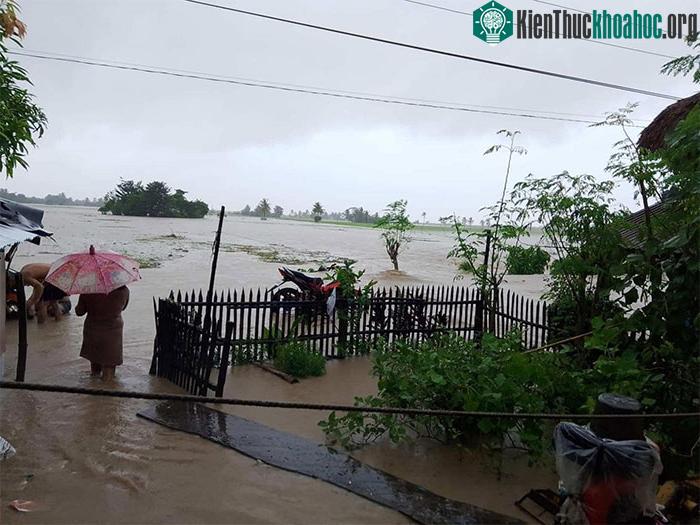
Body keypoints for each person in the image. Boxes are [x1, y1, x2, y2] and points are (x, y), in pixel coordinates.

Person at [75, 286, 129, 381]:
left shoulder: (88, 289)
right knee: (109, 370)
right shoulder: (123, 290)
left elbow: (79, 312)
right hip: (113, 331)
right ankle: (106, 393)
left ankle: (93, 392)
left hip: (92, 330)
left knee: (94, 368)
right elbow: (123, 307)